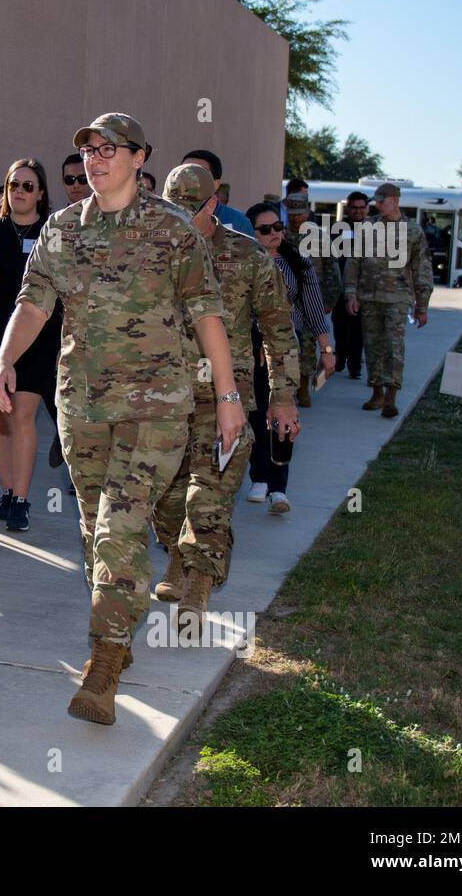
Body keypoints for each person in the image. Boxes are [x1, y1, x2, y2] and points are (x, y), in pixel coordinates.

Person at [0, 113, 245, 726]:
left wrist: (231, 395)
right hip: (82, 405)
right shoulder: (61, 229)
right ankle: (122, 628)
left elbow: (207, 310)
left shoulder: (171, 228)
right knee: (91, 526)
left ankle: (104, 661)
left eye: (110, 150)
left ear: (139, 157)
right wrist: (2, 361)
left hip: (157, 408)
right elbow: (33, 303)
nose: (96, 160)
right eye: (87, 151)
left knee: (118, 526)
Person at [152, 165, 300, 626]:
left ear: (212, 205)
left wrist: (283, 396)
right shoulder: (153, 253)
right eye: (169, 210)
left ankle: (197, 585)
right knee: (167, 496)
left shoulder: (249, 256)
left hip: (226, 399)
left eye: (187, 212)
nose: (177, 220)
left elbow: (278, 329)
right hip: (163, 397)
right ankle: (178, 555)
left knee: (209, 494)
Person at [244, 202, 335, 514]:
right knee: (256, 414)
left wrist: (326, 350)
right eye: (265, 229)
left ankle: (279, 488)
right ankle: (259, 478)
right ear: (251, 232)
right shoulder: (242, 263)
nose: (274, 234)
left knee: (284, 415)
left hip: (287, 347)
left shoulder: (298, 264)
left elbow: (313, 309)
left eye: (278, 228)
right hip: (252, 347)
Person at [0, 158, 56, 532]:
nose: (20, 192)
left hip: (39, 338)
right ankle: (9, 491)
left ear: (41, 193)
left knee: (22, 414)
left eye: (29, 186)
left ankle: (23, 500)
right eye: (14, 185)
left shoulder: (53, 233)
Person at [344, 182, 433, 418]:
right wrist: (351, 294)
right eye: (377, 202)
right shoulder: (368, 226)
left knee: (394, 346)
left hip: (398, 298)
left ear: (395, 200)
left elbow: (422, 269)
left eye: (382, 202)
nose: (378, 206)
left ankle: (391, 395)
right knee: (372, 345)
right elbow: (354, 262)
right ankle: (376, 392)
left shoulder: (413, 231)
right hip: (369, 297)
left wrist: (422, 306)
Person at [283, 189, 338, 406]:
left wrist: (330, 300)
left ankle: (304, 388)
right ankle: (288, 388)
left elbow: (332, 269)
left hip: (310, 301)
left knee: (307, 347)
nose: (296, 217)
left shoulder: (318, 237)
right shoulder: (281, 235)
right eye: (292, 212)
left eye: (300, 212)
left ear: (307, 211)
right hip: (285, 301)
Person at [330, 191, 369, 378]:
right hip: (340, 287)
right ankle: (340, 360)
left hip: (362, 289)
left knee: (358, 330)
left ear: (367, 208)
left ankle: (355, 367)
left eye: (362, 208)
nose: (358, 211)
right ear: (348, 209)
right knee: (340, 327)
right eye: (354, 207)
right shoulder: (338, 229)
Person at [181, 149, 254, 236]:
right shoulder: (165, 214)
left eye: (200, 173)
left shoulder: (238, 222)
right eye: (183, 172)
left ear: (216, 184)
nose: (190, 179)